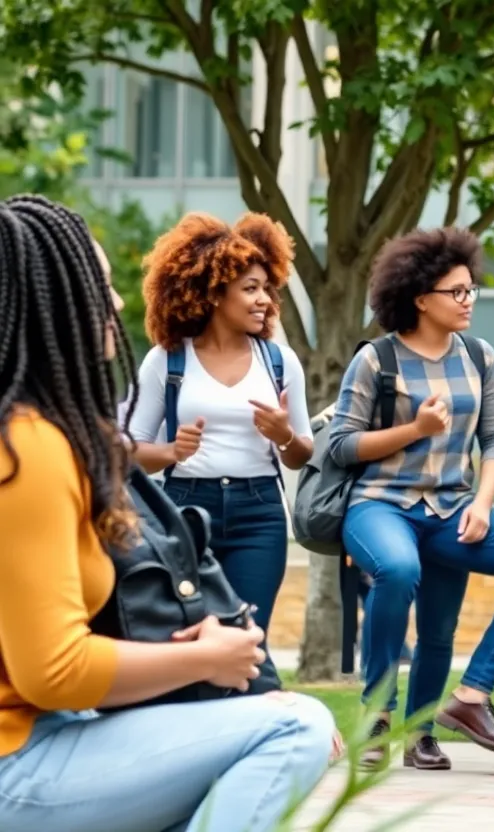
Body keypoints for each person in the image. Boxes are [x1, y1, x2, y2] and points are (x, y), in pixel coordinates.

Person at [0, 195, 333, 831]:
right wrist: (205, 659)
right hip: (19, 759)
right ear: (50, 299)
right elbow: (54, 672)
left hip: (259, 505)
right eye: (99, 284)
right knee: (296, 727)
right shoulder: (29, 447)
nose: (118, 303)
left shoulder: (31, 433)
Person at [330, 227, 494, 771]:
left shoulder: (479, 356)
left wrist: (484, 502)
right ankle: (377, 717)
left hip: (454, 505)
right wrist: (413, 429)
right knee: (397, 568)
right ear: (419, 299)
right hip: (381, 504)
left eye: (471, 290)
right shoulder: (376, 360)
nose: (468, 301)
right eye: (455, 292)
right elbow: (344, 445)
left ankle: (459, 704)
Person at [127, 213, 314, 685]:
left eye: (268, 289)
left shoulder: (279, 360)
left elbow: (302, 452)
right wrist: (170, 452)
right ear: (214, 292)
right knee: (188, 636)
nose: (265, 300)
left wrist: (283, 435)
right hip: (185, 510)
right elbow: (127, 449)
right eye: (251, 288)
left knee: (249, 636)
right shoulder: (167, 360)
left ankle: (263, 728)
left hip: (259, 513)